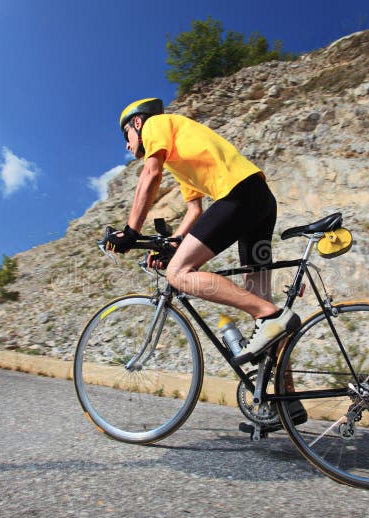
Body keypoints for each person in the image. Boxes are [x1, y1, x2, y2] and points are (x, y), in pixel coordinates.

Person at [105, 98, 301, 364]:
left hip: (238, 195)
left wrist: (131, 232)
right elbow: (194, 211)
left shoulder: (155, 125)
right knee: (263, 310)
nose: (128, 145)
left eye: (126, 136)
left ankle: (271, 317)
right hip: (259, 200)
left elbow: (150, 175)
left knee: (178, 274)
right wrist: (174, 244)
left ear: (137, 123)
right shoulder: (179, 156)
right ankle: (287, 401)